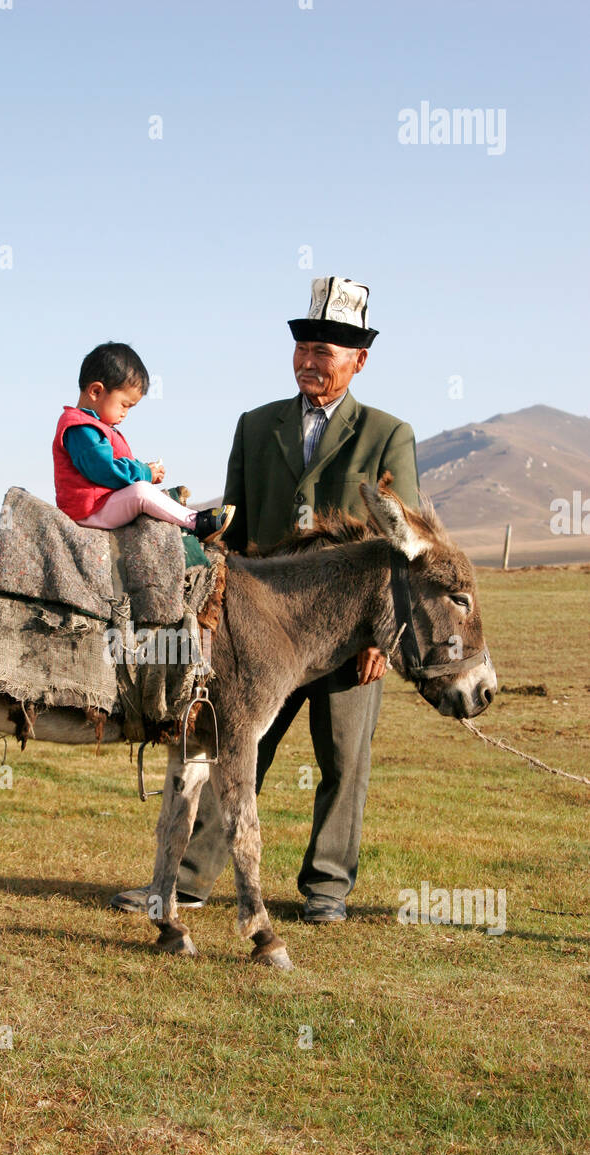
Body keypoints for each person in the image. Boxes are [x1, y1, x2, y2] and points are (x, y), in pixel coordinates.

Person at [111, 277, 420, 924]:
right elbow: (237, 528)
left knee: (343, 762)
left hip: (349, 633)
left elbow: (402, 546)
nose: (311, 360)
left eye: (327, 351)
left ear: (359, 360)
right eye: (304, 346)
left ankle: (327, 890)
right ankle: (190, 880)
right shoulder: (256, 427)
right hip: (259, 634)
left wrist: (380, 641)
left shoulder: (389, 435)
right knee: (236, 749)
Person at [53, 341, 234, 543]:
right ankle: (196, 522)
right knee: (142, 492)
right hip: (89, 510)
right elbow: (104, 469)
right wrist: (144, 473)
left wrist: (145, 471)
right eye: (124, 405)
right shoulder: (80, 428)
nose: (125, 414)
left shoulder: (93, 426)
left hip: (100, 504)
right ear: (96, 391)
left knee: (144, 491)